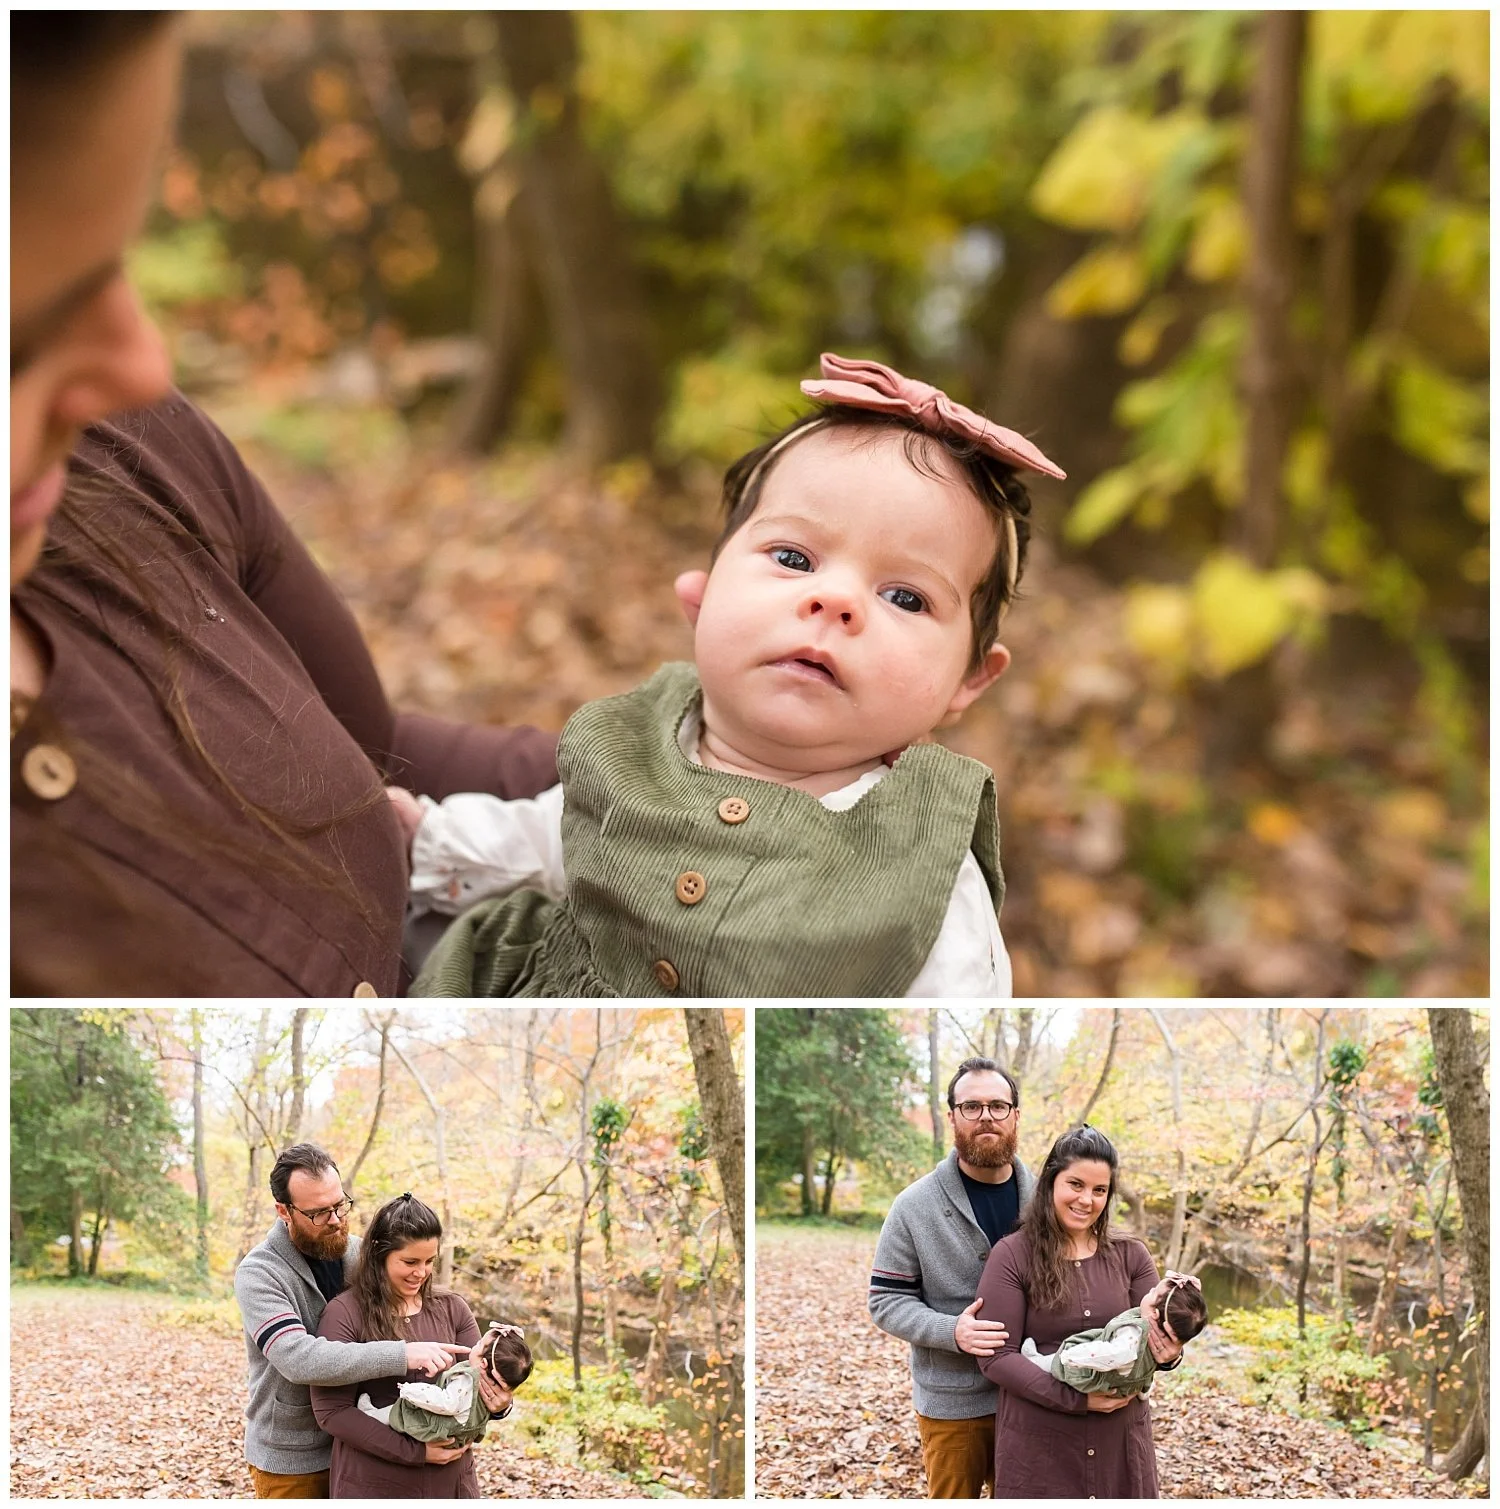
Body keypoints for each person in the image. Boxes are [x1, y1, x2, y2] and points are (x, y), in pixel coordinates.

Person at [10, 13, 556, 997]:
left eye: (115, 264)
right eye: (20, 343)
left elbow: (376, 741)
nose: (143, 368)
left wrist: (734, 756)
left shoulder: (124, 459)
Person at [401, 353, 1065, 998]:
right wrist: (428, 843)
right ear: (701, 597)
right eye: (792, 556)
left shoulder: (926, 867)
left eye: (906, 598)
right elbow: (551, 839)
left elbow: (952, 1008)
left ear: (968, 680)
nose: (836, 601)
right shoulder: (634, 742)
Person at [233, 1144, 468, 1499]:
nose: (336, 1219)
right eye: (318, 1213)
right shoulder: (260, 1274)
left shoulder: (359, 1253)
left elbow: (416, 1300)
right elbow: (298, 1359)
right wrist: (401, 1354)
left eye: (340, 1205)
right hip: (294, 1457)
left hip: (365, 1445)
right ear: (284, 1211)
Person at [974, 1126, 1187, 1499]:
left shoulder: (1131, 1255)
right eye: (1075, 1184)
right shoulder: (1012, 1255)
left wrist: (1171, 1353)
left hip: (1119, 1442)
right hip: (1040, 1444)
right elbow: (997, 1357)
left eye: (1099, 1190)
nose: (1086, 1199)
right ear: (1051, 1183)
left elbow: (1152, 1334)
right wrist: (1077, 1399)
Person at [869, 1058, 1035, 1498]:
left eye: (998, 1106)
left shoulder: (1047, 1202)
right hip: (951, 1404)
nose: (986, 1117)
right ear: (952, 1117)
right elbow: (885, 1301)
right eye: (972, 1106)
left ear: (1016, 1115)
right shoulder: (913, 1205)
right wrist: (951, 1331)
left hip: (1033, 1395)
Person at [310, 1193, 510, 1499]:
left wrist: (499, 1406)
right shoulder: (345, 1313)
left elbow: (481, 1384)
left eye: (430, 1261)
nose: (422, 1272)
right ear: (379, 1253)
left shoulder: (453, 1309)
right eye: (410, 1261)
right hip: (374, 1483)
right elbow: (332, 1412)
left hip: (451, 1483)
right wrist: (415, 1451)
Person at [1021, 1275, 1207, 1397]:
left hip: (1094, 1372)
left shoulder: (1132, 1333)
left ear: (1155, 1314)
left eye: (1152, 1292)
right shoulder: (1161, 1329)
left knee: (1053, 1363)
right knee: (1144, 1370)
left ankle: (1034, 1360)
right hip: (1131, 1379)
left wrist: (1071, 1356)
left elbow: (1111, 1354)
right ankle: (1143, 1389)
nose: (1149, 1291)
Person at [357, 1322, 533, 1445]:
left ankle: (370, 1415)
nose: (474, 1344)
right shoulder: (494, 1378)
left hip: (439, 1423)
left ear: (484, 1364)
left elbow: (446, 1402)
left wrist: (411, 1391)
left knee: (399, 1411)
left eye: (478, 1344)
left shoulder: (466, 1380)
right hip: (462, 1430)